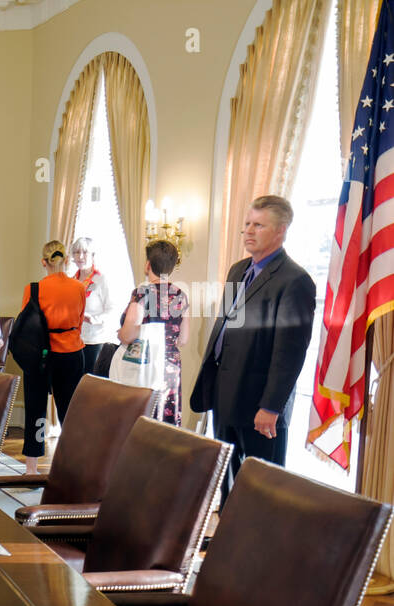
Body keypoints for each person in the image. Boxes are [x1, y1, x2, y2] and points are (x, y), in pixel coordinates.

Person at [191, 194, 314, 501]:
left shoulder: (295, 280)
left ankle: (264, 546)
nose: (247, 231)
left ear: (280, 230)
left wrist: (271, 407)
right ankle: (227, 540)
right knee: (226, 480)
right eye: (247, 223)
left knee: (264, 487)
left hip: (261, 403)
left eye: (258, 225)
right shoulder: (238, 270)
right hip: (225, 391)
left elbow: (290, 352)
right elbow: (230, 327)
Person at [19, 240, 86, 471]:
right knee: (70, 411)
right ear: (67, 260)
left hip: (41, 355)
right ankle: (73, 465)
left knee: (35, 408)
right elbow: (79, 320)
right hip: (72, 352)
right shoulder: (79, 287)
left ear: (43, 262)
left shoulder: (33, 289)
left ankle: (31, 468)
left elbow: (26, 326)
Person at [118, 240, 188, 426]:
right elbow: (183, 339)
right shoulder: (181, 295)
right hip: (171, 368)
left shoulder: (142, 293)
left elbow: (127, 335)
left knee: (142, 421)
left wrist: (124, 331)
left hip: (146, 366)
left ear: (148, 264)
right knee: (166, 424)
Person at [71, 237, 112, 373]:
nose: (80, 256)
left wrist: (95, 319)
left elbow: (112, 309)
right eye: (77, 252)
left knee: (90, 385)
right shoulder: (71, 281)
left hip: (95, 341)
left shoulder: (101, 280)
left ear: (93, 255)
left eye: (85, 252)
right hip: (73, 341)